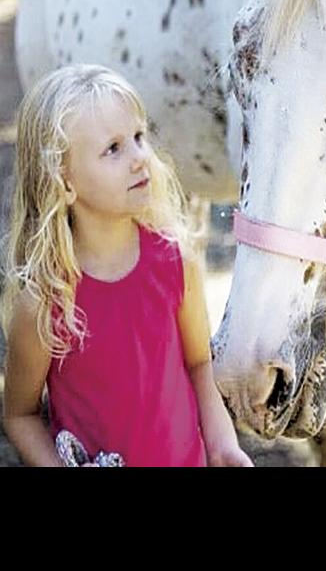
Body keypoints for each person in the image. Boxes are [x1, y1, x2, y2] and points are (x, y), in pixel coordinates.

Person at [1, 64, 253, 467]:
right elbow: (20, 414)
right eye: (113, 149)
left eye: (139, 137)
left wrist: (223, 444)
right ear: (63, 182)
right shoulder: (46, 303)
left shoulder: (175, 260)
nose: (140, 158)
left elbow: (199, 363)